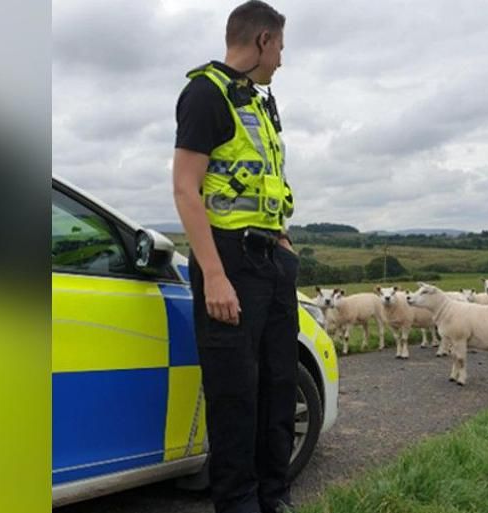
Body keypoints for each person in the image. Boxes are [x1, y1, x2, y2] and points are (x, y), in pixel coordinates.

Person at [171, 2, 298, 513]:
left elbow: (262, 184)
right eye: (280, 47)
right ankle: (239, 505)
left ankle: (275, 498)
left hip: (271, 260)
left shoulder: (256, 101)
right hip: (229, 262)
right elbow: (185, 189)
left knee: (278, 387)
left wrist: (282, 239)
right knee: (235, 398)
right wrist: (215, 275)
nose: (282, 60)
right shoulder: (205, 94)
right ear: (263, 40)